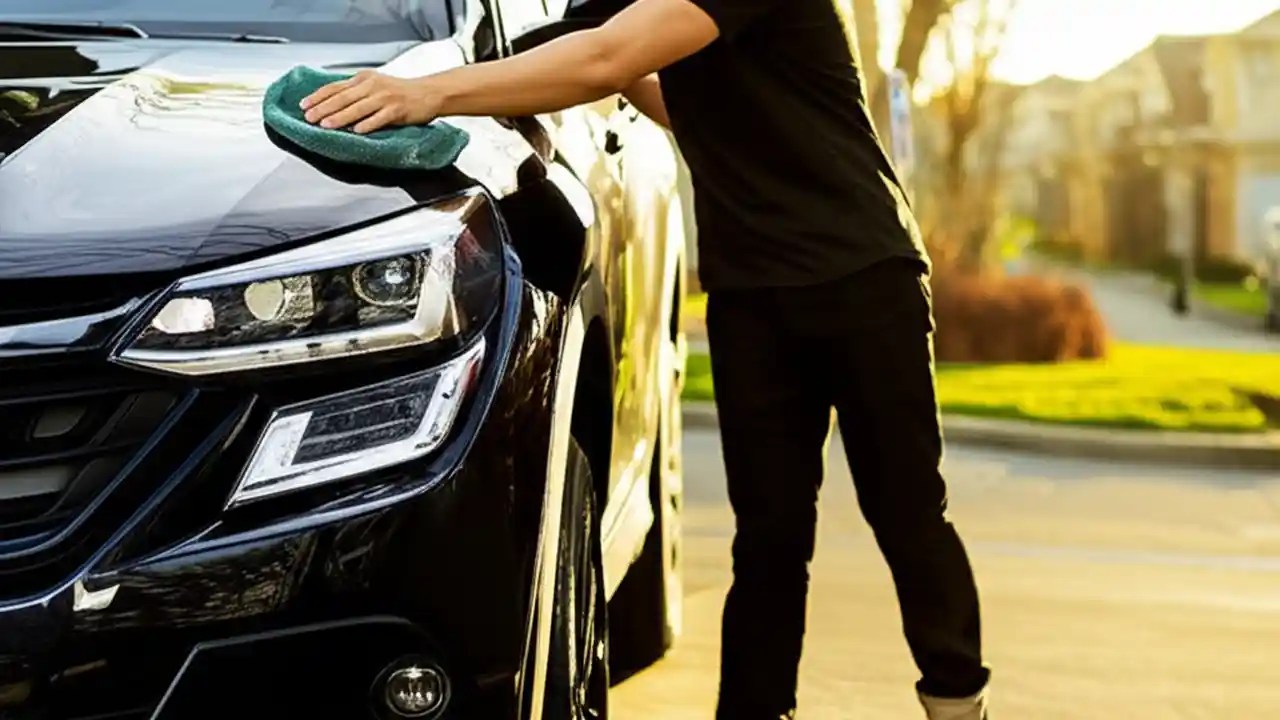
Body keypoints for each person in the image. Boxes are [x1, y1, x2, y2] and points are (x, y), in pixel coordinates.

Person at [300, 0, 990, 716]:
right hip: (752, 294)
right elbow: (604, 60)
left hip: (861, 279)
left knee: (907, 515)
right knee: (769, 539)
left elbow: (604, 56)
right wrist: (415, 81)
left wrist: (430, 94)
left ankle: (957, 702)